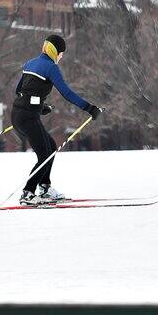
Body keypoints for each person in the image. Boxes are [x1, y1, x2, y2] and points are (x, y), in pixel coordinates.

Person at [11, 34, 101, 205]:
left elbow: (19, 90)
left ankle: (44, 188)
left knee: (51, 147)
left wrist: (40, 107)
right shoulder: (51, 67)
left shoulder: (30, 63)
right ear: (55, 51)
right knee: (44, 154)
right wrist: (89, 108)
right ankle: (28, 193)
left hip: (19, 114)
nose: (61, 56)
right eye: (61, 53)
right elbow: (66, 92)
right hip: (28, 116)